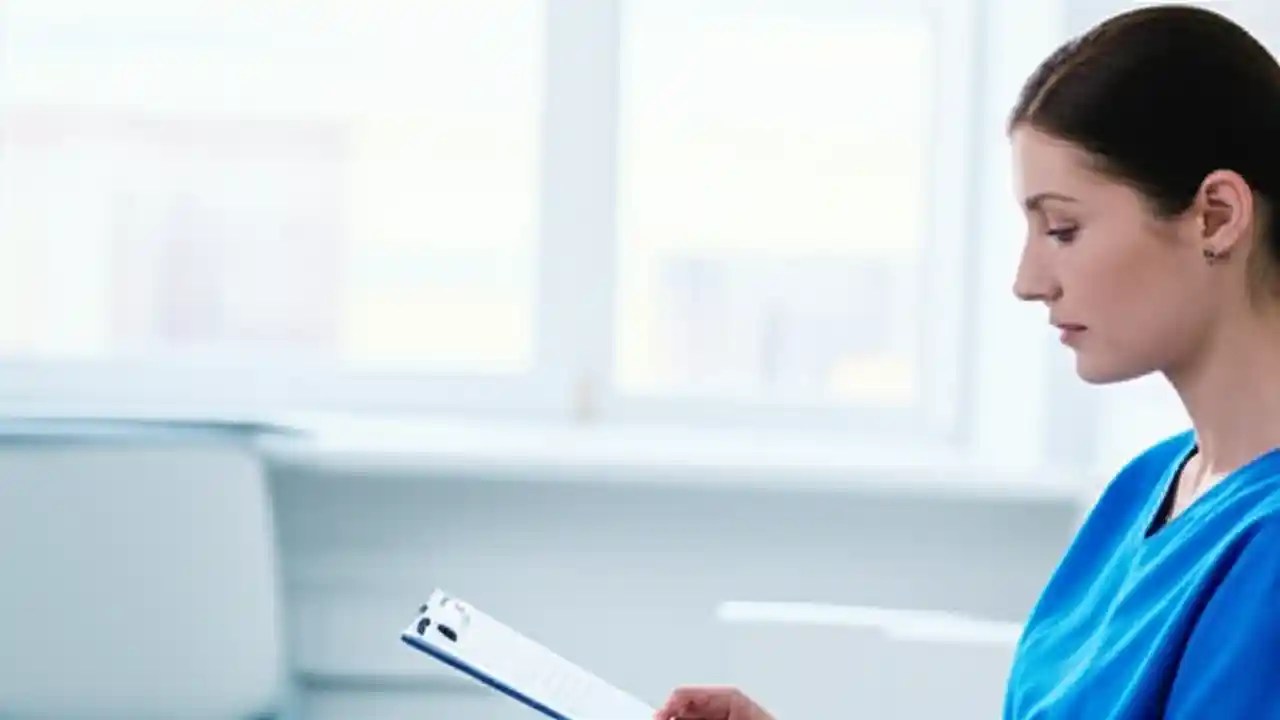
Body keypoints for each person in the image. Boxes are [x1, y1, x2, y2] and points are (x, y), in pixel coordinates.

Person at [653, 5, 1280, 719]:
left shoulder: (1269, 551)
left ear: (1216, 217)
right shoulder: (1145, 488)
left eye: (1063, 229)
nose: (1028, 280)